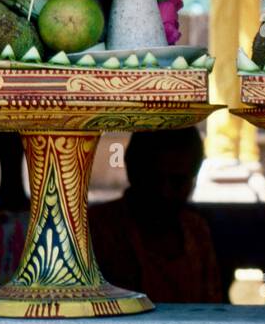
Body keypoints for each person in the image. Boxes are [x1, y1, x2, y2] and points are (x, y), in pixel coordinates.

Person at [90, 127, 224, 303]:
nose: (164, 192)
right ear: (132, 170)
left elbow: (212, 307)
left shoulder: (197, 231)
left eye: (177, 182)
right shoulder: (97, 230)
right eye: (152, 179)